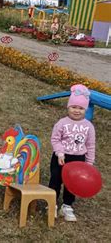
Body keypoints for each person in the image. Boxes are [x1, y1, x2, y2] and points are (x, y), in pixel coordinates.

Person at [49, 84, 96, 222]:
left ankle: (67, 206)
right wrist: (60, 152)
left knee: (73, 183)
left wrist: (89, 163)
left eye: (81, 108)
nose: (77, 111)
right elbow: (55, 139)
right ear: (68, 107)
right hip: (60, 157)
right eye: (74, 107)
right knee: (56, 180)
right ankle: (52, 204)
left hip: (78, 159)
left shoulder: (89, 126)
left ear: (85, 109)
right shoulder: (62, 123)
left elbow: (90, 145)